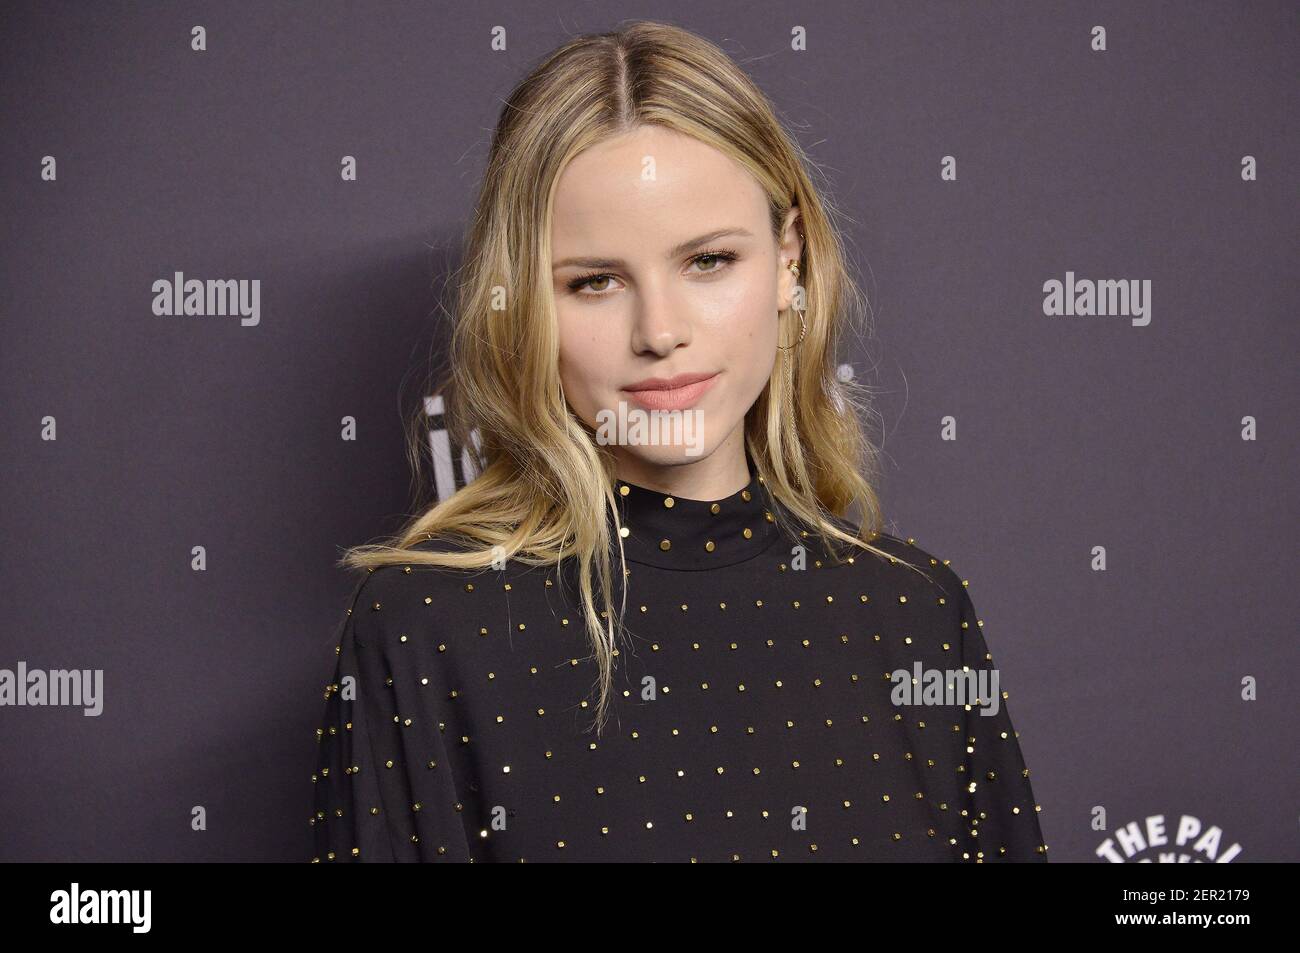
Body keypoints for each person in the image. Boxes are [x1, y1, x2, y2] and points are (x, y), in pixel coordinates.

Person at [309, 20, 1047, 862]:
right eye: (595, 281)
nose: (659, 332)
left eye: (707, 261)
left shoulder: (919, 615)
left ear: (789, 260)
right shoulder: (423, 629)